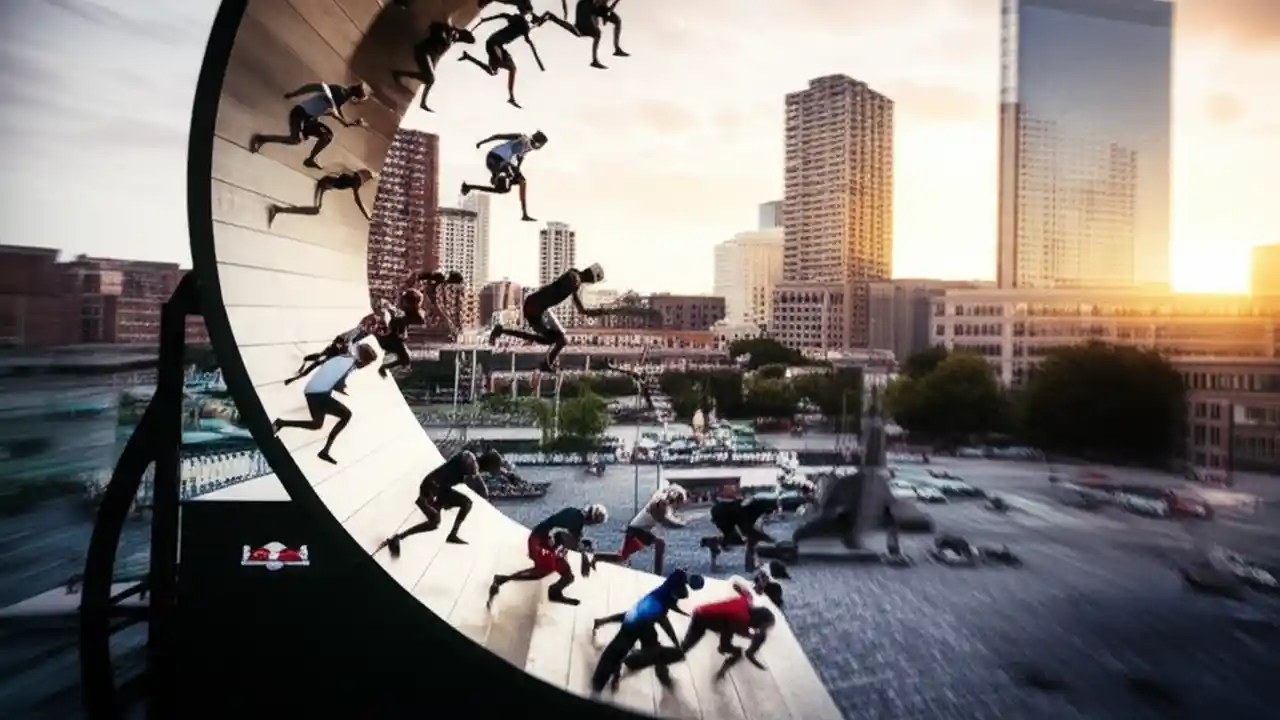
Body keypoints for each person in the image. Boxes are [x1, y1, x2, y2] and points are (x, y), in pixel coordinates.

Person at [622, 577, 776, 680]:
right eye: (763, 626)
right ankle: (641, 658)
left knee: (724, 643)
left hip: (708, 616)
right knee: (682, 652)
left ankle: (652, 659)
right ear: (757, 621)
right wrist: (752, 637)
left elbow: (738, 585)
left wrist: (751, 590)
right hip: (702, 619)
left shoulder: (745, 602)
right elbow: (740, 630)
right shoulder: (742, 619)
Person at [590, 569, 702, 694]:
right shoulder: (661, 608)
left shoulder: (669, 584)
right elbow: (665, 623)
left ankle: (609, 677)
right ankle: (655, 673)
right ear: (675, 594)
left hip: (637, 614)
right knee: (639, 651)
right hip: (641, 625)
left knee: (620, 650)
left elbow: (678, 576)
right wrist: (675, 640)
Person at [379, 449, 513, 553]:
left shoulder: (471, 461)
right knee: (457, 508)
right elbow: (478, 485)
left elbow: (477, 478)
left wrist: (505, 473)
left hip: (439, 489)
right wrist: (486, 493)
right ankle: (450, 533)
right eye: (492, 469)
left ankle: (398, 538)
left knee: (435, 523)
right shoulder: (470, 461)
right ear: (488, 465)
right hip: (432, 488)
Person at [487, 264, 607, 372]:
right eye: (592, 281)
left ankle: (502, 331)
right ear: (591, 278)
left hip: (535, 306)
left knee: (550, 339)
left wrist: (600, 311)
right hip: (535, 308)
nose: (590, 283)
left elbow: (581, 310)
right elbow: (579, 307)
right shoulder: (574, 281)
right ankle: (545, 363)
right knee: (559, 340)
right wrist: (600, 311)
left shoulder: (574, 277)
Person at [271, 343, 377, 465]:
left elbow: (328, 367)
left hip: (314, 391)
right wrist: (341, 387)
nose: (367, 366)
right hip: (318, 393)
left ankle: (281, 423)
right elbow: (337, 382)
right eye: (368, 363)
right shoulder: (348, 363)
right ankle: (324, 451)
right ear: (362, 359)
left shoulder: (346, 358)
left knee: (317, 424)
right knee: (346, 415)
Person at [488, 503, 608, 607]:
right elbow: (556, 531)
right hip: (539, 541)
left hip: (547, 543)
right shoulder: (574, 518)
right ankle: (501, 579)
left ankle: (554, 593)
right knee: (540, 572)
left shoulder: (576, 517)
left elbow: (573, 541)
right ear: (592, 520)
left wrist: (582, 553)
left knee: (567, 576)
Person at [249, 82, 370, 169]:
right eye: (359, 100)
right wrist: (294, 93)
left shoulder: (341, 97)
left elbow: (341, 118)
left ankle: (310, 160)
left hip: (310, 120)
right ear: (355, 97)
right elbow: (315, 87)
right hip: (300, 114)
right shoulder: (337, 92)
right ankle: (260, 138)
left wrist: (354, 123)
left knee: (327, 136)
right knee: (294, 140)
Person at [374, 269, 466, 377]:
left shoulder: (434, 290)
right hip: (411, 319)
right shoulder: (434, 288)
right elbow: (435, 306)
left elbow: (435, 306)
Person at [457, 11, 546, 109]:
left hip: (497, 45)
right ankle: (511, 97)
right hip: (494, 44)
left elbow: (503, 15)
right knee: (505, 68)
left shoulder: (519, 20)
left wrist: (486, 19)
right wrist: (536, 55)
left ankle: (468, 57)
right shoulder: (524, 27)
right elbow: (529, 41)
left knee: (502, 70)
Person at [594, 485, 688, 575]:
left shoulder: (664, 505)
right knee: (660, 544)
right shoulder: (660, 503)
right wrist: (680, 524)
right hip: (636, 531)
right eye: (678, 503)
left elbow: (665, 520)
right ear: (675, 498)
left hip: (638, 531)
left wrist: (678, 521)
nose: (678, 507)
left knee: (622, 558)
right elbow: (664, 521)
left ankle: (596, 556)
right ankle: (657, 574)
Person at [391, 20, 476, 112]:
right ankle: (422, 103)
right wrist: (449, 33)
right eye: (464, 39)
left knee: (428, 79)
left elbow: (472, 41)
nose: (462, 41)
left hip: (426, 54)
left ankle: (398, 74)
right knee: (430, 79)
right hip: (423, 51)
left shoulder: (454, 37)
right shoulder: (450, 31)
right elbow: (439, 32)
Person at [461, 131, 547, 221]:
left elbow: (518, 163)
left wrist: (516, 174)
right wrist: (481, 142)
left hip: (505, 164)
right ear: (533, 140)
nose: (533, 147)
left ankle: (524, 214)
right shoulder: (520, 138)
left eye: (537, 147)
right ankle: (473, 185)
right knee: (506, 182)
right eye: (535, 145)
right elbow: (497, 136)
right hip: (494, 159)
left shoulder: (527, 149)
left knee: (516, 184)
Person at [701, 494, 781, 571]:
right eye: (771, 513)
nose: (769, 517)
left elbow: (749, 526)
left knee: (747, 539)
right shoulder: (752, 509)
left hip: (724, 514)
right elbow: (746, 527)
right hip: (722, 515)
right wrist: (767, 538)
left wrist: (764, 537)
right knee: (747, 539)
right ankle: (749, 566)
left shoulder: (755, 507)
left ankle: (714, 542)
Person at [541, 0, 629, 69]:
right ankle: (551, 17)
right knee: (589, 33)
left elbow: (605, 6)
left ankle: (617, 48)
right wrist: (601, 17)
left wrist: (607, 13)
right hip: (586, 6)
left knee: (617, 21)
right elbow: (597, 5)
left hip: (596, 6)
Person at [268, 169, 375, 225]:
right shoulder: (356, 182)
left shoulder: (352, 175)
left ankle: (279, 210)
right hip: (325, 184)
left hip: (326, 182)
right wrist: (366, 215)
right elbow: (357, 200)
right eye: (368, 178)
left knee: (316, 209)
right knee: (315, 210)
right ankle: (278, 209)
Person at [284, 321, 374, 386]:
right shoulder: (354, 348)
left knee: (318, 360)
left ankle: (302, 370)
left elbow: (345, 341)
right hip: (333, 352)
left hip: (335, 352)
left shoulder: (355, 349)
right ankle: (301, 373)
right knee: (318, 361)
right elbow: (343, 340)